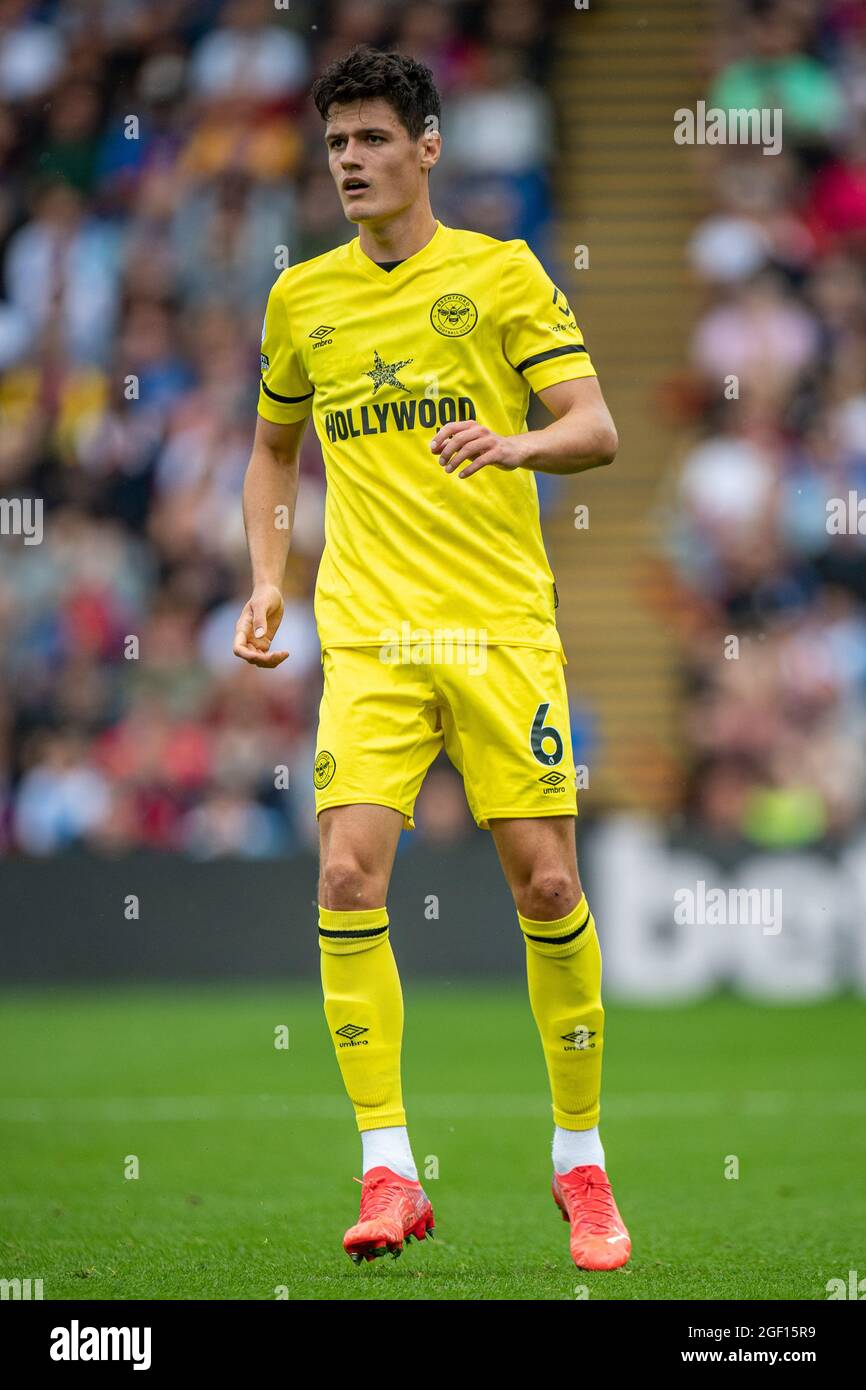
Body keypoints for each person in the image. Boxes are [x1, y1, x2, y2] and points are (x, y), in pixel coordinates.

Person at [233, 44, 628, 1271]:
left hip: (500, 625)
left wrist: (516, 446)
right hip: (370, 633)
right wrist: (263, 579)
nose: (349, 161)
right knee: (347, 874)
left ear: (427, 146)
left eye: (370, 140)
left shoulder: (500, 275)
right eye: (336, 142)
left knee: (547, 890)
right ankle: (389, 1171)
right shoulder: (301, 298)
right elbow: (271, 455)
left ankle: (580, 1165)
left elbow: (595, 429)